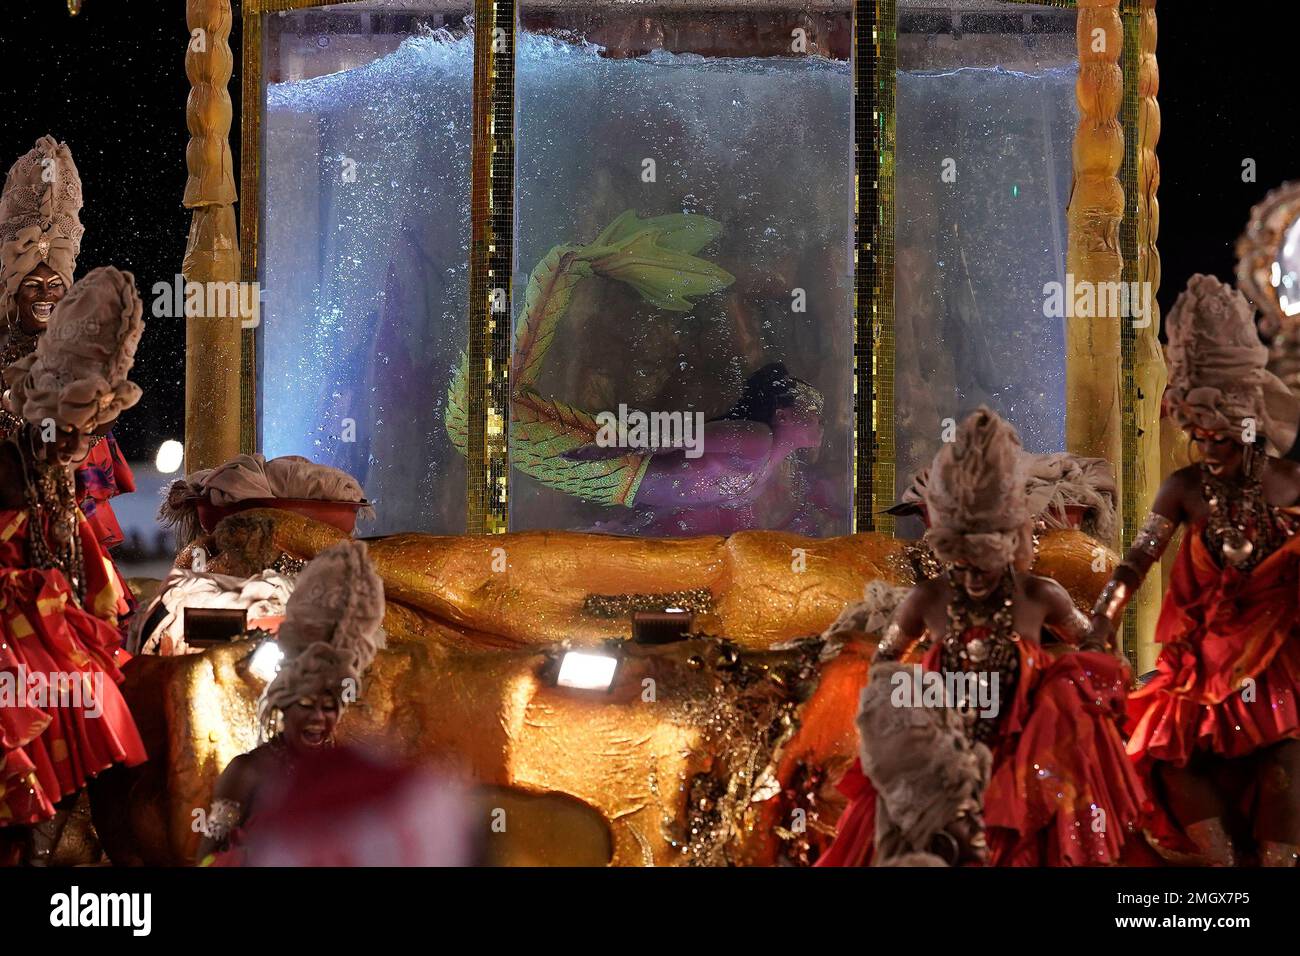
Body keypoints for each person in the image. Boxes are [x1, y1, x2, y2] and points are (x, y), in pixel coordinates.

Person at [819, 408, 1145, 866]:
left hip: (1023, 763)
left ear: (1013, 546)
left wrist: (1065, 693)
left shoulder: (1041, 596)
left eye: (985, 565)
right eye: (961, 564)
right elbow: (885, 664)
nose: (972, 578)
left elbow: (1099, 650)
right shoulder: (928, 600)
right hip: (938, 761)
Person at [1088, 274, 1300, 867]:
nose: (1207, 450)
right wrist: (1105, 614)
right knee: (1163, 748)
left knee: (1285, 762)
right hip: (1197, 661)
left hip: (1279, 660)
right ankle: (1218, 876)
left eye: (1221, 440)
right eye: (1197, 436)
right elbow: (1138, 558)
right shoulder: (1184, 488)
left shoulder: (1291, 486)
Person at [0, 265, 146, 863]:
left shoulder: (60, 479)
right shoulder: (11, 468)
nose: (74, 449)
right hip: (15, 625)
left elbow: (89, 579)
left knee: (94, 680)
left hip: (50, 622)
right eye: (66, 433)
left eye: (87, 438)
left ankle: (46, 842)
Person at [196, 539, 386, 865]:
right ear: (283, 705)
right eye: (306, 704)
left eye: (327, 707)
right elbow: (206, 858)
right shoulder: (247, 772)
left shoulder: (348, 774)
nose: (317, 718)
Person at [0, 135, 136, 559]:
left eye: (55, 285)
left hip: (64, 520)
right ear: (12, 292)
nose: (44, 295)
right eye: (33, 286)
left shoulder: (82, 355)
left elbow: (85, 445)